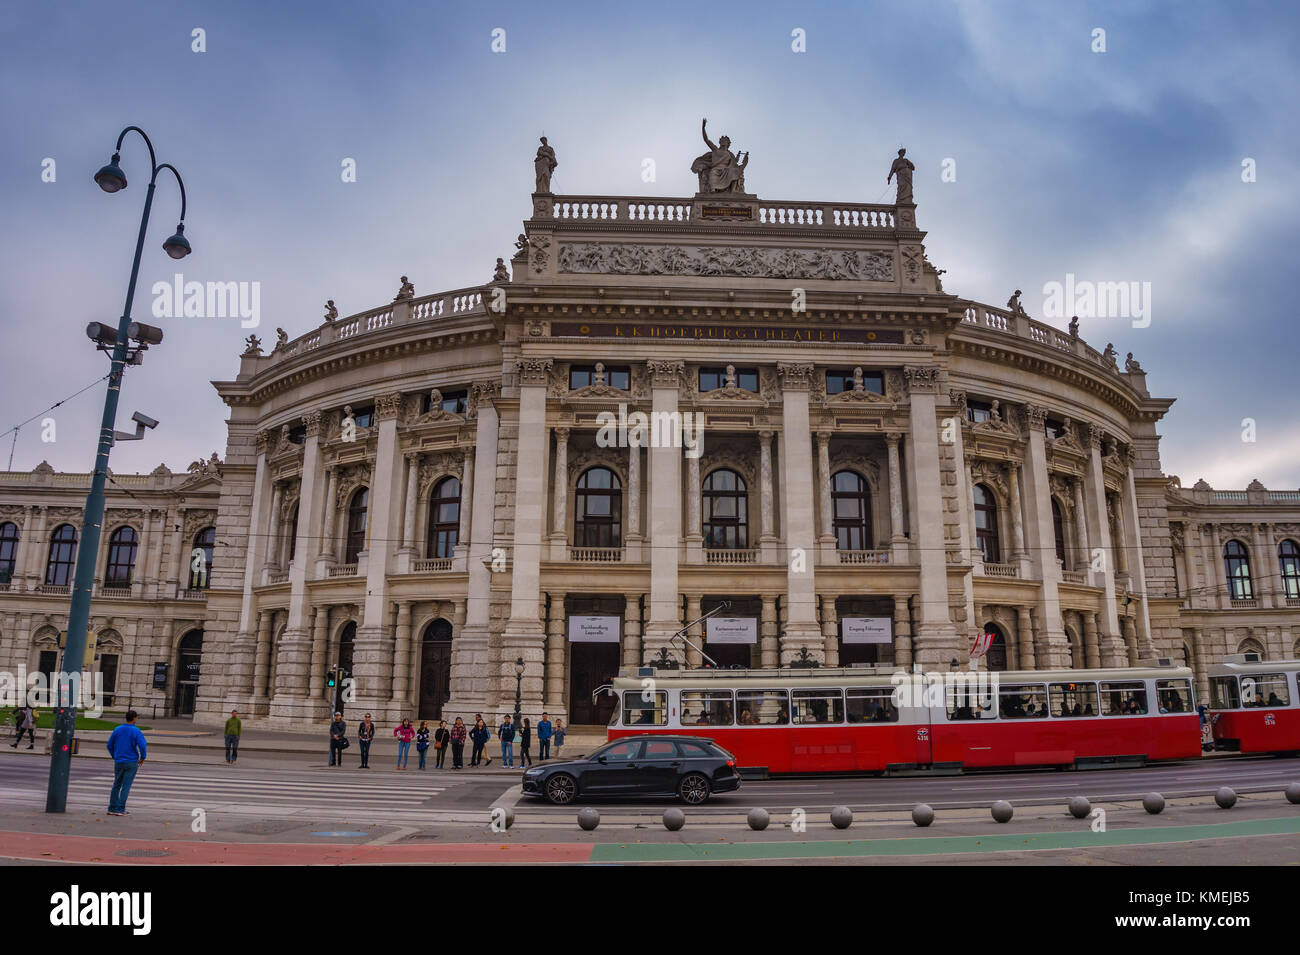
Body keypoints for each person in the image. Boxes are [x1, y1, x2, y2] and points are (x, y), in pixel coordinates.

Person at [105, 710, 147, 816]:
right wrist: (143, 757)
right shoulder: (136, 731)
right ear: (134, 718)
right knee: (126, 786)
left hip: (119, 761)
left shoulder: (117, 729)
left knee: (116, 785)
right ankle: (120, 809)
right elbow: (142, 745)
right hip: (131, 761)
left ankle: (112, 808)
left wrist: (115, 756)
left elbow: (109, 745)